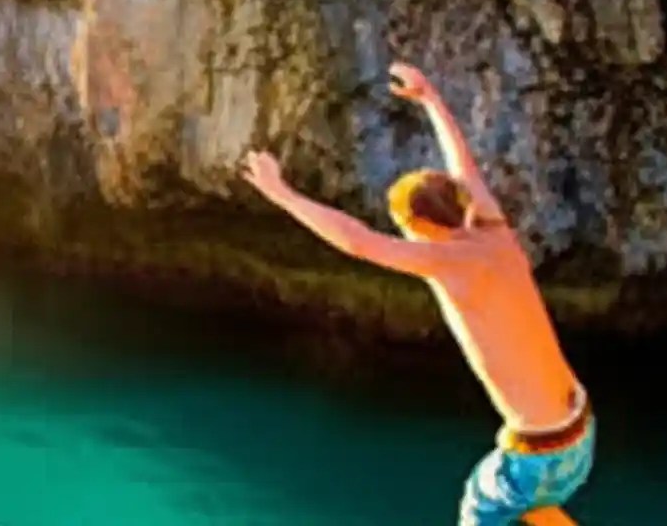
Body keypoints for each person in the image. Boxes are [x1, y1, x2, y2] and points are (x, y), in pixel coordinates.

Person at [240, 62, 594, 525]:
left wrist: (281, 193)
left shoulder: (448, 263)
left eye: (405, 231)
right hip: (580, 428)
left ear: (422, 227)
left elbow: (358, 242)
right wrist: (430, 98)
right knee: (532, 505)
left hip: (540, 447)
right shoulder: (491, 230)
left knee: (480, 508)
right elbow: (462, 166)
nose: (406, 240)